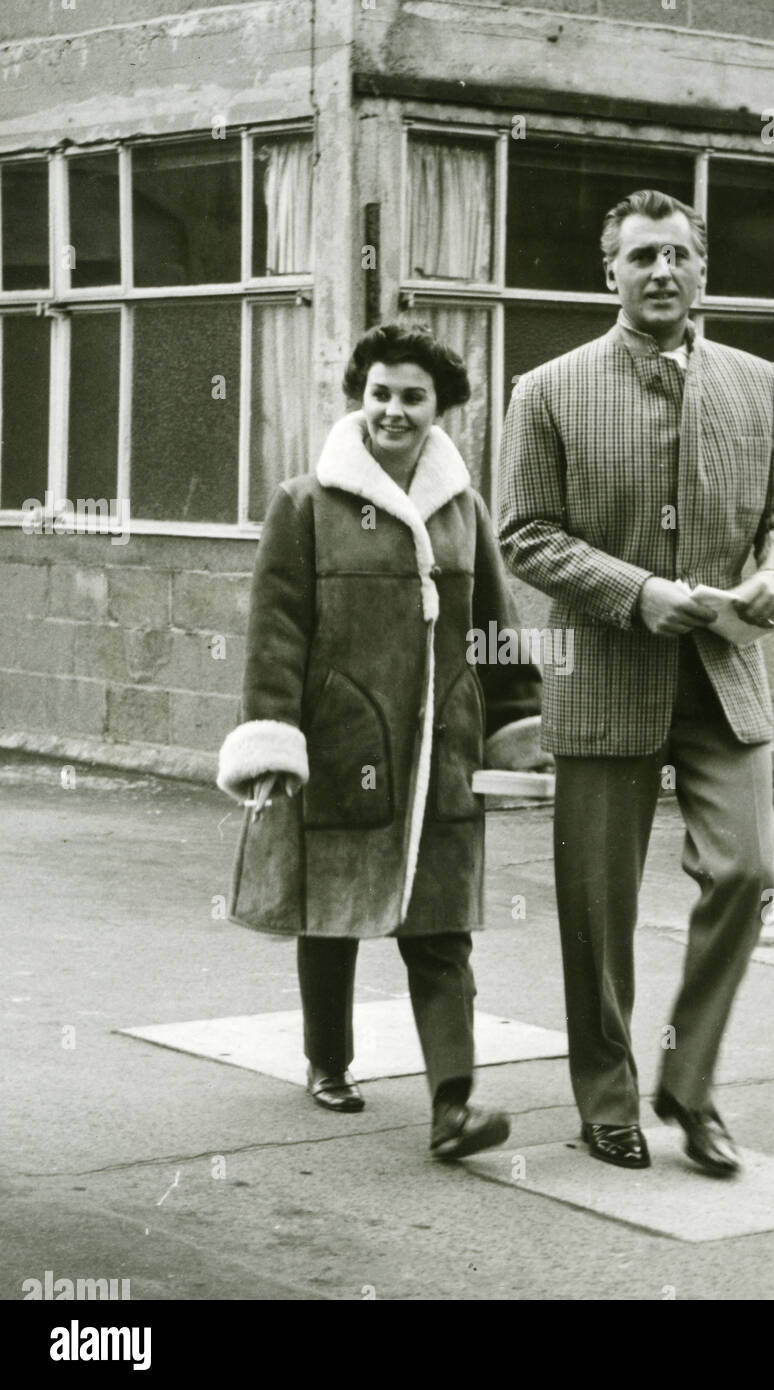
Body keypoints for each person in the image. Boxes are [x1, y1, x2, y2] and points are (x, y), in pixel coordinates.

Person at [499, 189, 774, 1175]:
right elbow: (525, 536)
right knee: (597, 909)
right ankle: (605, 1099)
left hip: (722, 673)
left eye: (678, 255)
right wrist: (636, 594)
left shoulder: (757, 385)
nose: (661, 273)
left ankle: (687, 1082)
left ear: (702, 270)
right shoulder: (545, 390)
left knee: (745, 872)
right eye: (640, 257)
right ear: (609, 273)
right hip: (604, 674)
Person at [218, 321, 540, 1160]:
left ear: (442, 410)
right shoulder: (305, 504)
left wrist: (515, 728)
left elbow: (496, 631)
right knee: (332, 913)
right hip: (341, 739)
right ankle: (329, 1060)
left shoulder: (464, 509)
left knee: (441, 932)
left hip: (444, 752)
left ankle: (454, 1108)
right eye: (381, 394)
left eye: (414, 397)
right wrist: (275, 738)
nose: (395, 411)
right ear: (360, 400)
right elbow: (277, 631)